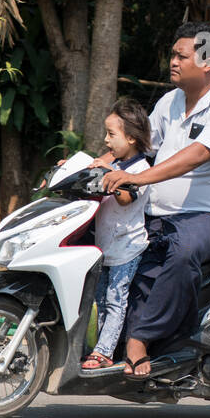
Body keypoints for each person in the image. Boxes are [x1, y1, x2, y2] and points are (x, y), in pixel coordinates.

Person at [99, 22, 210, 377]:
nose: (173, 62)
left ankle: (139, 341)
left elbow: (198, 154)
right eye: (172, 55)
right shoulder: (170, 101)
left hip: (206, 218)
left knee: (180, 254)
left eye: (181, 56)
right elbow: (140, 144)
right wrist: (96, 163)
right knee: (118, 252)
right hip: (155, 212)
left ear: (208, 61)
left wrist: (137, 177)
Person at [82, 99, 152, 370]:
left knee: (115, 300)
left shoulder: (141, 171)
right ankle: (100, 348)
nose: (106, 140)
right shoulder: (117, 165)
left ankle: (104, 351)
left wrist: (111, 172)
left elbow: (125, 199)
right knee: (101, 300)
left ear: (132, 138)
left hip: (127, 248)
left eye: (112, 135)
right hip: (105, 247)